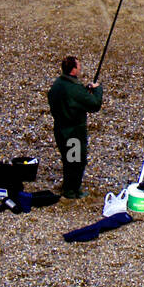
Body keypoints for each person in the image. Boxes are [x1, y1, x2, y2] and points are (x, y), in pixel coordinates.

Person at [47, 56, 103, 200]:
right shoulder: (74, 89)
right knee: (76, 162)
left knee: (68, 160)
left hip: (60, 129)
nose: (80, 68)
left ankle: (69, 187)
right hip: (73, 132)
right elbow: (94, 105)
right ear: (73, 70)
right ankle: (71, 191)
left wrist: (85, 90)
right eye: (78, 66)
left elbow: (70, 98)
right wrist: (98, 90)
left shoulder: (58, 84)